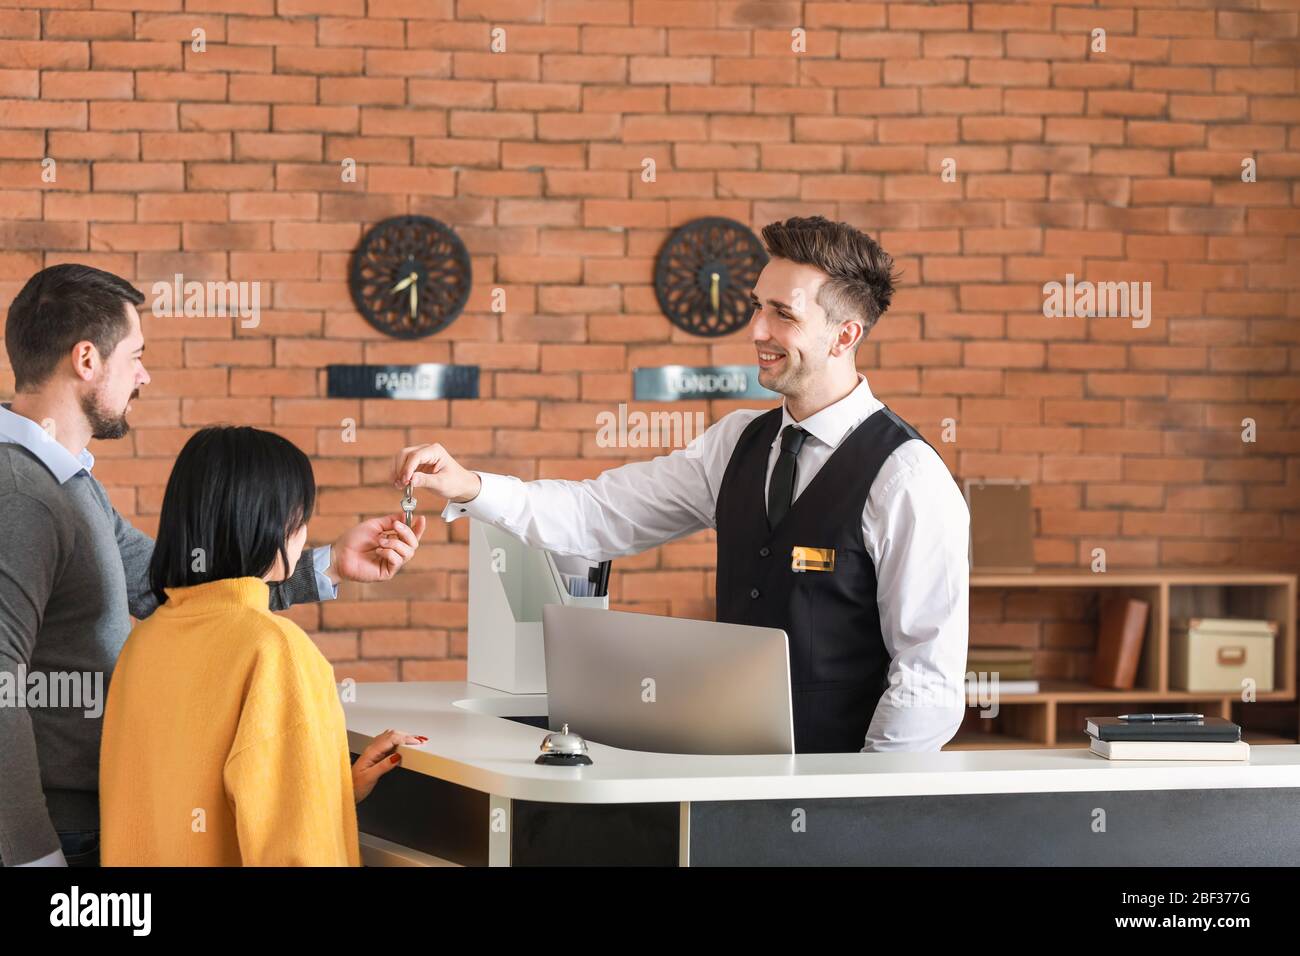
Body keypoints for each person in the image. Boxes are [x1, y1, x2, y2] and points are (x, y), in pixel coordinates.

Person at [393, 216, 970, 755]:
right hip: (732, 778)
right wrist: (470, 486)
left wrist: (861, 801)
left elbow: (927, 678)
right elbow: (600, 515)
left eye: (782, 314)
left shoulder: (906, 478)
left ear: (844, 336)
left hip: (838, 802)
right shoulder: (737, 442)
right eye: (755, 307)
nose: (756, 330)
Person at [0, 264, 426, 867]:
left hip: (106, 825)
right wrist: (29, 856)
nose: (144, 375)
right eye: (136, 356)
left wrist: (323, 562)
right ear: (87, 360)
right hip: (55, 838)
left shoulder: (70, 483)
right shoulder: (18, 492)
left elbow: (179, 586)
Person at [100, 427, 419, 866]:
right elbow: (297, 855)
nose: (305, 533)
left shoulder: (145, 643)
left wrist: (330, 788)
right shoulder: (274, 652)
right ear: (274, 525)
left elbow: (191, 798)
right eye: (302, 517)